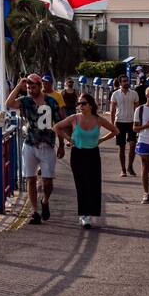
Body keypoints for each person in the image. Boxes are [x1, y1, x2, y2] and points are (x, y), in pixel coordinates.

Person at [54, 94, 116, 228]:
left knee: (93, 184)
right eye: (79, 104)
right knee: (81, 184)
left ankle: (90, 212)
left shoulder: (98, 120)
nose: (80, 106)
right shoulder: (74, 118)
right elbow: (57, 127)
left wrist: (101, 140)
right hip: (78, 153)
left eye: (83, 103)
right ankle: (84, 214)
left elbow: (115, 131)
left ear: (90, 105)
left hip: (93, 153)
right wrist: (69, 139)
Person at [7, 74, 62, 224]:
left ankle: (45, 201)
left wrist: (62, 144)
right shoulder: (25, 101)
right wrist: (19, 86)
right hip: (30, 143)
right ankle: (34, 212)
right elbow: (9, 103)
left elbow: (59, 123)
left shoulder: (51, 102)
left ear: (40, 86)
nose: (31, 90)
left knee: (47, 182)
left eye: (33, 87)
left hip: (47, 144)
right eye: (29, 87)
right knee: (30, 179)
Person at [108, 75, 140, 177]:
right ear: (120, 83)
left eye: (127, 81)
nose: (126, 83)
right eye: (124, 81)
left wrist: (138, 122)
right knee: (121, 147)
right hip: (120, 122)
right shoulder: (115, 94)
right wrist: (113, 125)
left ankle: (130, 166)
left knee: (132, 144)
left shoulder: (134, 94)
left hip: (131, 122)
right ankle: (123, 169)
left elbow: (137, 109)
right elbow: (112, 110)